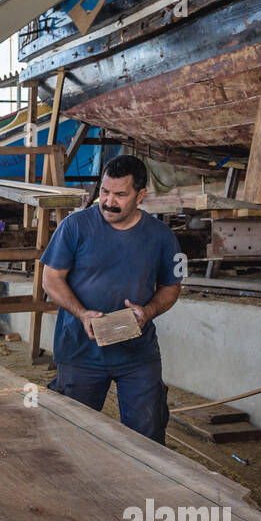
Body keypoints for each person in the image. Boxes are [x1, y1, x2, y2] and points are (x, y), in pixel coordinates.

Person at [40, 155, 184, 444]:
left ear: (140, 195)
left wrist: (149, 311)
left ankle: (144, 490)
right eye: (105, 192)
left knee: (148, 434)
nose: (108, 201)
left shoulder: (163, 237)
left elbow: (172, 287)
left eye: (120, 195)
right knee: (71, 434)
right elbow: (50, 279)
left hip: (137, 353)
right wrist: (82, 314)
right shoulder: (74, 226)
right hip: (80, 349)